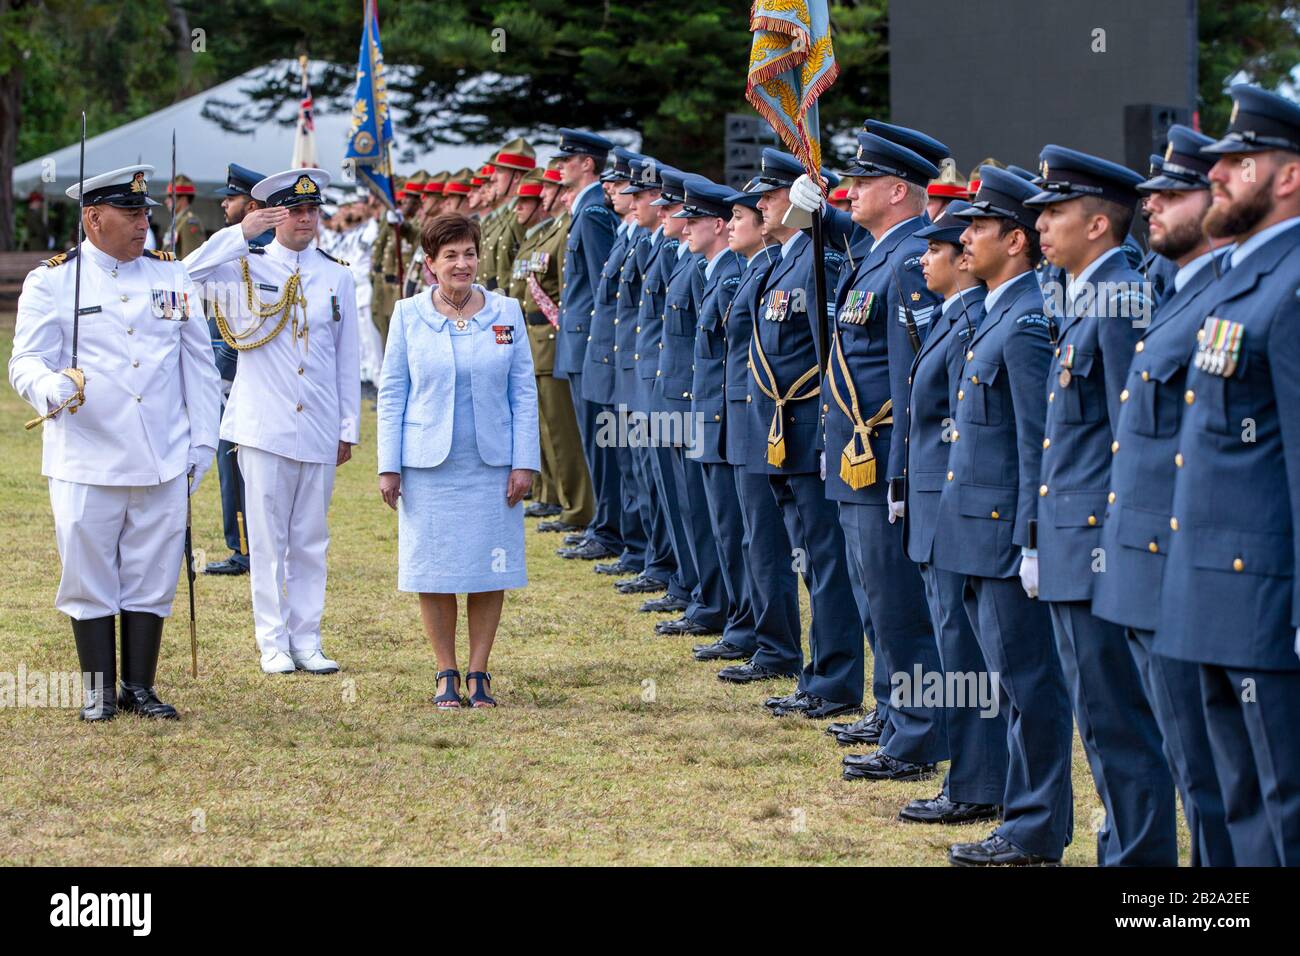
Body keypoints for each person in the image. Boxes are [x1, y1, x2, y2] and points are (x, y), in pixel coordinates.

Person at [9, 164, 222, 721]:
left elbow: (198, 367)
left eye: (144, 214)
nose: (141, 224)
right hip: (87, 453)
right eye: (129, 215)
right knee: (89, 569)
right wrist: (49, 384)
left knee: (152, 569)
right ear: (93, 218)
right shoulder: (53, 281)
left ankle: (140, 686)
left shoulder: (171, 278)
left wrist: (203, 443)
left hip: (161, 453)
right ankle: (99, 690)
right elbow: (24, 362)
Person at [1156, 84, 1300, 866]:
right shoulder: (1241, 278)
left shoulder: (1293, 283)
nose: (1218, 175)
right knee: (1240, 802)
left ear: (1289, 177)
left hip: (1268, 599)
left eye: (1240, 163)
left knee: (1284, 804)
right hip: (1210, 590)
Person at [1027, 145, 1179, 865]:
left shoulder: (1118, 301)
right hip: (1071, 539)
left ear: (1097, 225)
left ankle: (1139, 866)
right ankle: (1125, 847)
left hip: (1097, 543)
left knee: (1119, 721)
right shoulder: (1089, 295)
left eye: (1054, 212)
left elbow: (1135, 439)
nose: (1040, 225)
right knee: (1101, 718)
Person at [1090, 124, 1236, 866]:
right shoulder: (1173, 293)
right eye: (1150, 194)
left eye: (1173, 195)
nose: (1152, 207)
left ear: (1218, 200)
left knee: (1212, 776)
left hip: (1188, 564)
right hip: (1146, 559)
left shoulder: (1223, 297)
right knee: (1183, 755)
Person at [938, 165, 1072, 864]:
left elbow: (1034, 443)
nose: (964, 238)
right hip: (974, 530)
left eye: (978, 227)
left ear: (1014, 241)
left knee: (1030, 688)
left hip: (1000, 535)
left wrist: (1030, 540)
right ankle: (1020, 816)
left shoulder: (1023, 323)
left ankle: (1036, 827)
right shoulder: (994, 311)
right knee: (1008, 685)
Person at [198, 167, 360, 676]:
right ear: (272, 213)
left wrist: (347, 426)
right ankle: (272, 641)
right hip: (263, 425)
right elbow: (182, 278)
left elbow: (346, 356)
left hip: (317, 422)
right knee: (266, 541)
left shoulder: (337, 275)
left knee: (310, 539)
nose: (306, 219)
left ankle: (307, 638)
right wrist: (239, 234)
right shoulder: (245, 267)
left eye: (313, 210)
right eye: (295, 210)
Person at [376, 213, 539, 709]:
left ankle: (479, 671)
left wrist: (524, 461)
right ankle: (446, 669)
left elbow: (523, 392)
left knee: (490, 570)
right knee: (436, 568)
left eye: (469, 253)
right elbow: (392, 393)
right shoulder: (407, 315)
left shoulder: (506, 313)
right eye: (450, 255)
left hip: (492, 465)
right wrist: (389, 465)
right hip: (429, 466)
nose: (462, 263)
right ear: (430, 264)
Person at [898, 200, 1008, 824]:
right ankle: (971, 775)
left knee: (964, 653)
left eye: (937, 251)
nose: (927, 258)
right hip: (934, 501)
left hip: (954, 505)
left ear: (963, 265)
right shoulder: (955, 317)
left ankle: (977, 781)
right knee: (953, 646)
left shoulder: (970, 323)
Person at [745, 148, 861, 720]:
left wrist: (824, 436)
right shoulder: (783, 259)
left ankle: (835, 680)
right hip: (782, 430)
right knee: (808, 558)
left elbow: (828, 353)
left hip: (809, 429)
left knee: (824, 560)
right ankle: (819, 673)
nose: (761, 206)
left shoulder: (818, 258)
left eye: (770, 196)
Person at [704, 187, 803, 683]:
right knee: (751, 538)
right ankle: (763, 637)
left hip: (761, 418)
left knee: (765, 542)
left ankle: (777, 647)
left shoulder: (770, 268)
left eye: (740, 214)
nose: (740, 220)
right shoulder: (759, 269)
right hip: (743, 416)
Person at [197, 162, 274, 578]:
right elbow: (186, 274)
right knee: (233, 467)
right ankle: (244, 546)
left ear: (252, 203)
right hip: (226, 370)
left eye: (231, 197)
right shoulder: (230, 244)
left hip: (237, 373)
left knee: (237, 466)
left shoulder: (257, 249)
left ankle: (246, 549)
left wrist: (220, 375)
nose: (225, 203)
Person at [553, 128, 622, 562]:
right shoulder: (587, 208)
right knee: (592, 440)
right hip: (578, 342)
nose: (560, 167)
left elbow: (602, 287)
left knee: (601, 443)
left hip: (589, 343)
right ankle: (602, 523)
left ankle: (609, 528)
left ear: (587, 165)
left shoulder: (595, 211)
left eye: (567, 160)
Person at [164, 174, 207, 258]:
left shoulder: (189, 222)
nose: (166, 201)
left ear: (183, 198)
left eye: (170, 196)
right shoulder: (177, 221)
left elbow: (191, 258)